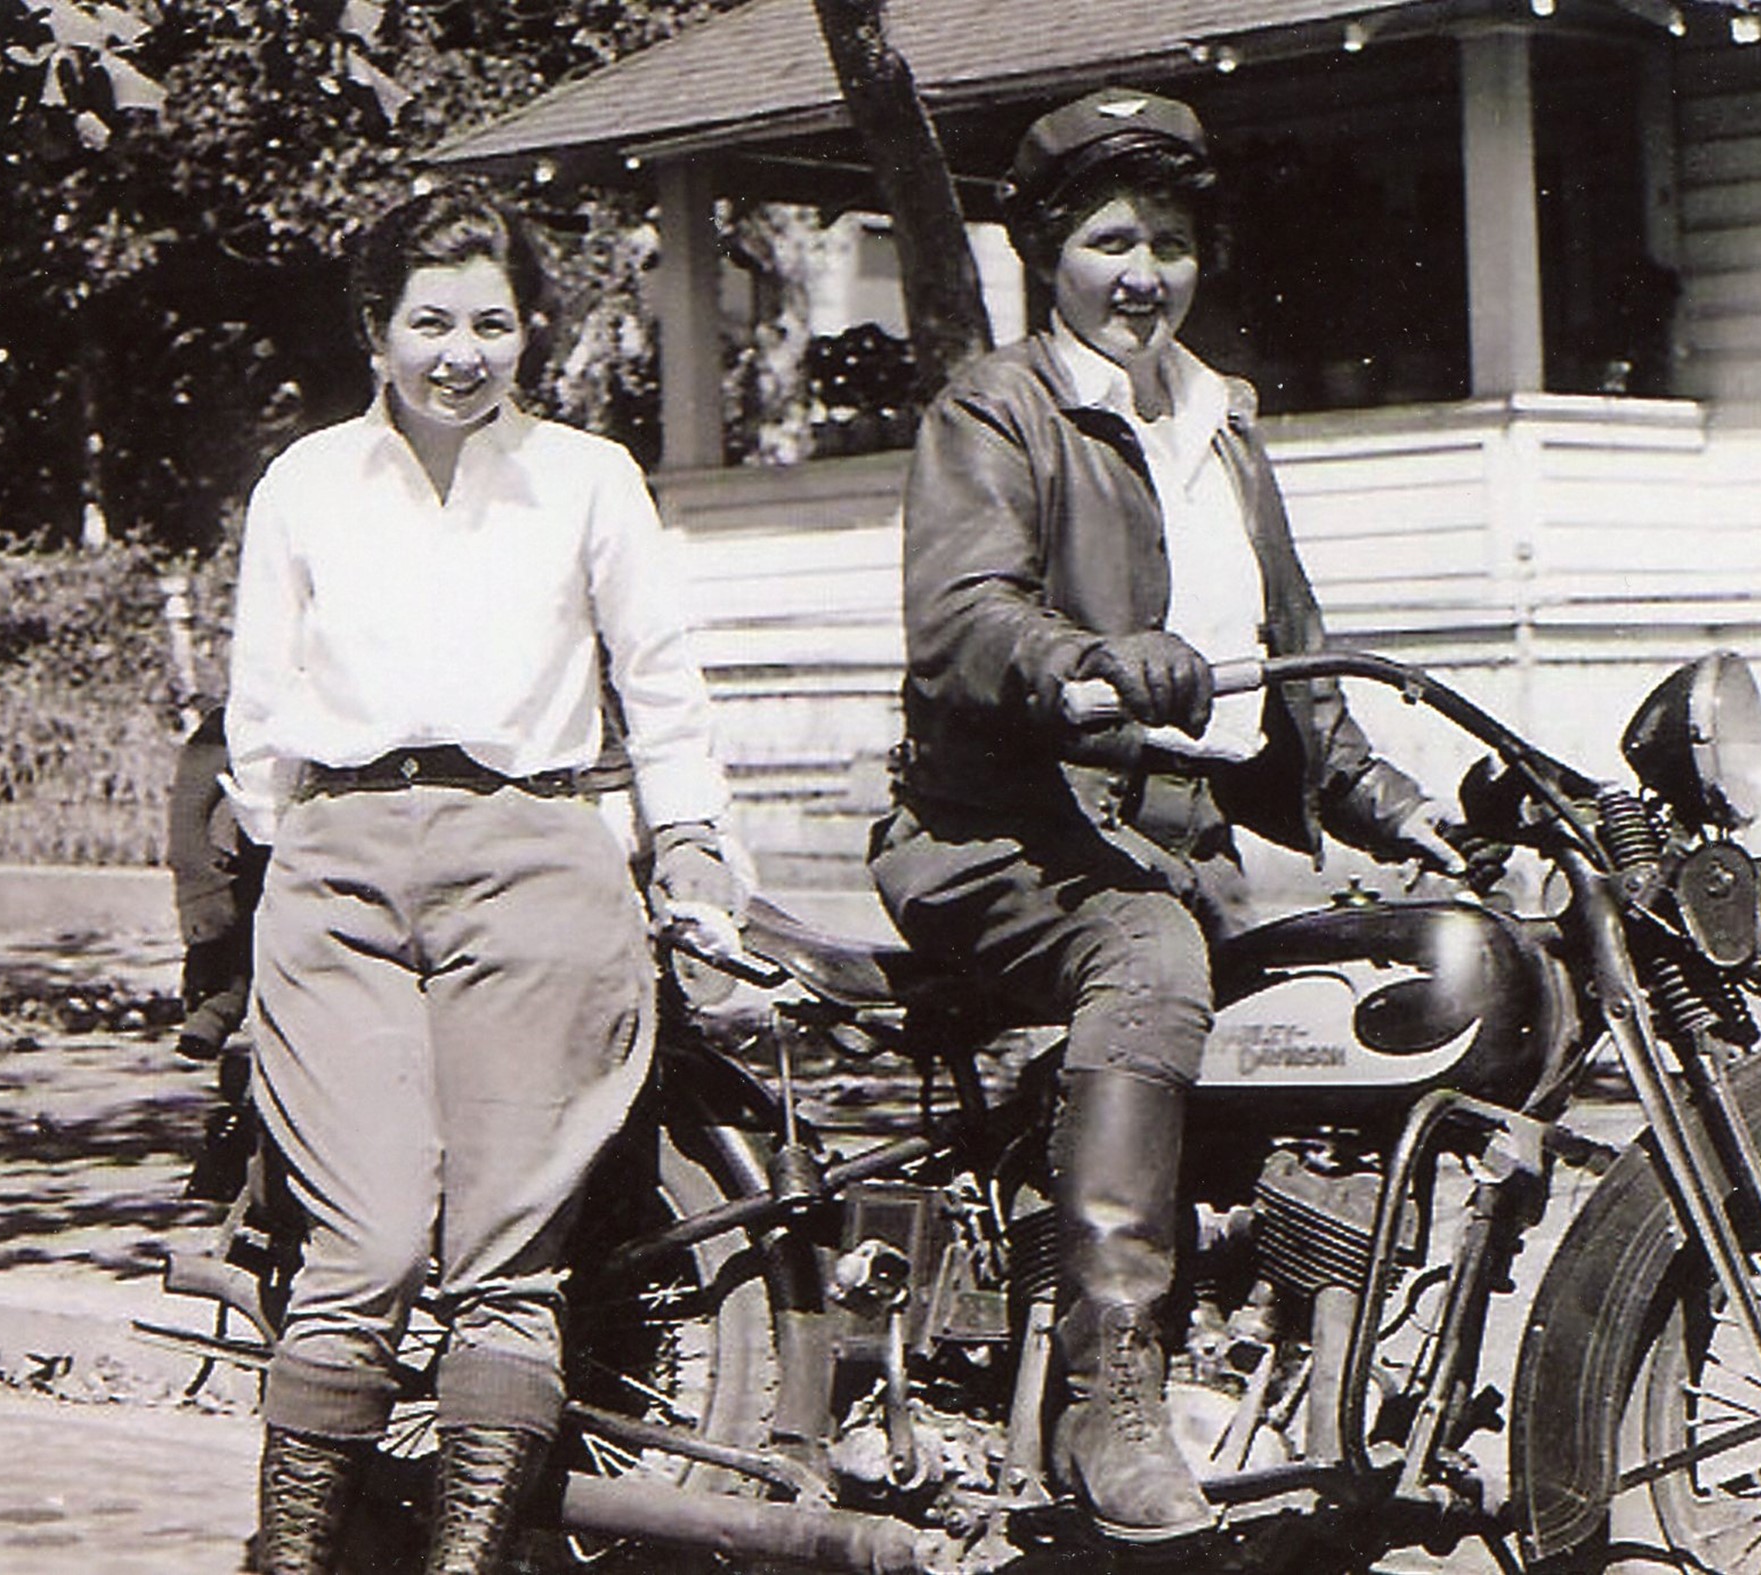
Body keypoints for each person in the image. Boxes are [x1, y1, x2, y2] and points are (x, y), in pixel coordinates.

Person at [868, 87, 1464, 1546]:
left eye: (1175, 242)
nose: (1146, 274)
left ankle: (1311, 1370)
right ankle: (1111, 1392)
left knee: (1357, 994)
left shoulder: (1220, 427)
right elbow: (959, 622)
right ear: (1050, 252)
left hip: (1171, 847)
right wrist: (1080, 663)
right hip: (1005, 838)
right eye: (1114, 241)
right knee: (1150, 958)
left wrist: (1389, 800)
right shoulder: (996, 408)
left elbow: (1288, 666)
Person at [221, 183, 750, 1575]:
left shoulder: (588, 479)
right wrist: (282, 880)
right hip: (336, 872)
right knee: (370, 1241)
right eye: (430, 321)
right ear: (374, 330)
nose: (462, 351)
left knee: (506, 1265)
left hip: (535, 862)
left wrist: (688, 837)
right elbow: (260, 714)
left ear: (533, 337)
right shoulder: (306, 482)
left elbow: (663, 684)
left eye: (494, 323)